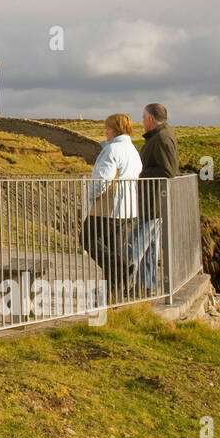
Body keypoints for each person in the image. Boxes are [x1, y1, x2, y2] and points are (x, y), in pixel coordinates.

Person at [81, 113, 143, 300]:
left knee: (86, 238)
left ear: (115, 129)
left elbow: (102, 180)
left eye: (107, 128)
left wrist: (90, 195)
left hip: (108, 206)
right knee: (113, 246)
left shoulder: (111, 150)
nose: (105, 131)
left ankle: (122, 267)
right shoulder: (133, 150)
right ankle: (113, 293)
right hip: (128, 207)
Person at [127, 103, 180, 292]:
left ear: (150, 118)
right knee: (149, 249)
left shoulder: (161, 139)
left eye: (143, 117)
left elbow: (168, 171)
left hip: (152, 202)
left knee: (133, 247)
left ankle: (121, 284)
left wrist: (141, 174)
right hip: (154, 202)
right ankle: (146, 287)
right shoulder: (161, 136)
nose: (142, 122)